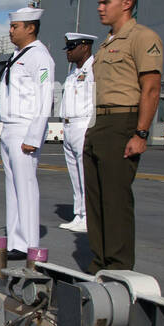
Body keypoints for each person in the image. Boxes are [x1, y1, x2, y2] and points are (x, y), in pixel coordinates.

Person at [85, 0, 162, 273]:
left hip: (123, 121)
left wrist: (140, 133)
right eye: (100, 2)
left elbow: (151, 89)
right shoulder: (107, 44)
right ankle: (99, 263)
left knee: (115, 198)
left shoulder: (143, 38)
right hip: (99, 123)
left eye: (106, 2)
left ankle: (118, 268)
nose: (100, 8)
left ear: (127, 3)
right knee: (95, 199)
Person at [0, 6, 54, 258]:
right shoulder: (17, 55)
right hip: (9, 127)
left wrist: (34, 136)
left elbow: (45, 97)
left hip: (24, 127)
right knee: (13, 187)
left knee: (26, 187)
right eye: (11, 26)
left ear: (30, 28)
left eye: (15, 27)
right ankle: (15, 241)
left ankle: (29, 244)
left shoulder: (39, 57)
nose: (10, 31)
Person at [59, 33, 97, 233]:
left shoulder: (94, 69)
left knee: (85, 174)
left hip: (83, 125)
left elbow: (96, 101)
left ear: (85, 47)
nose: (68, 52)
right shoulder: (73, 73)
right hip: (68, 125)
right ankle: (79, 214)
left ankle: (89, 216)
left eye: (72, 48)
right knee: (75, 174)